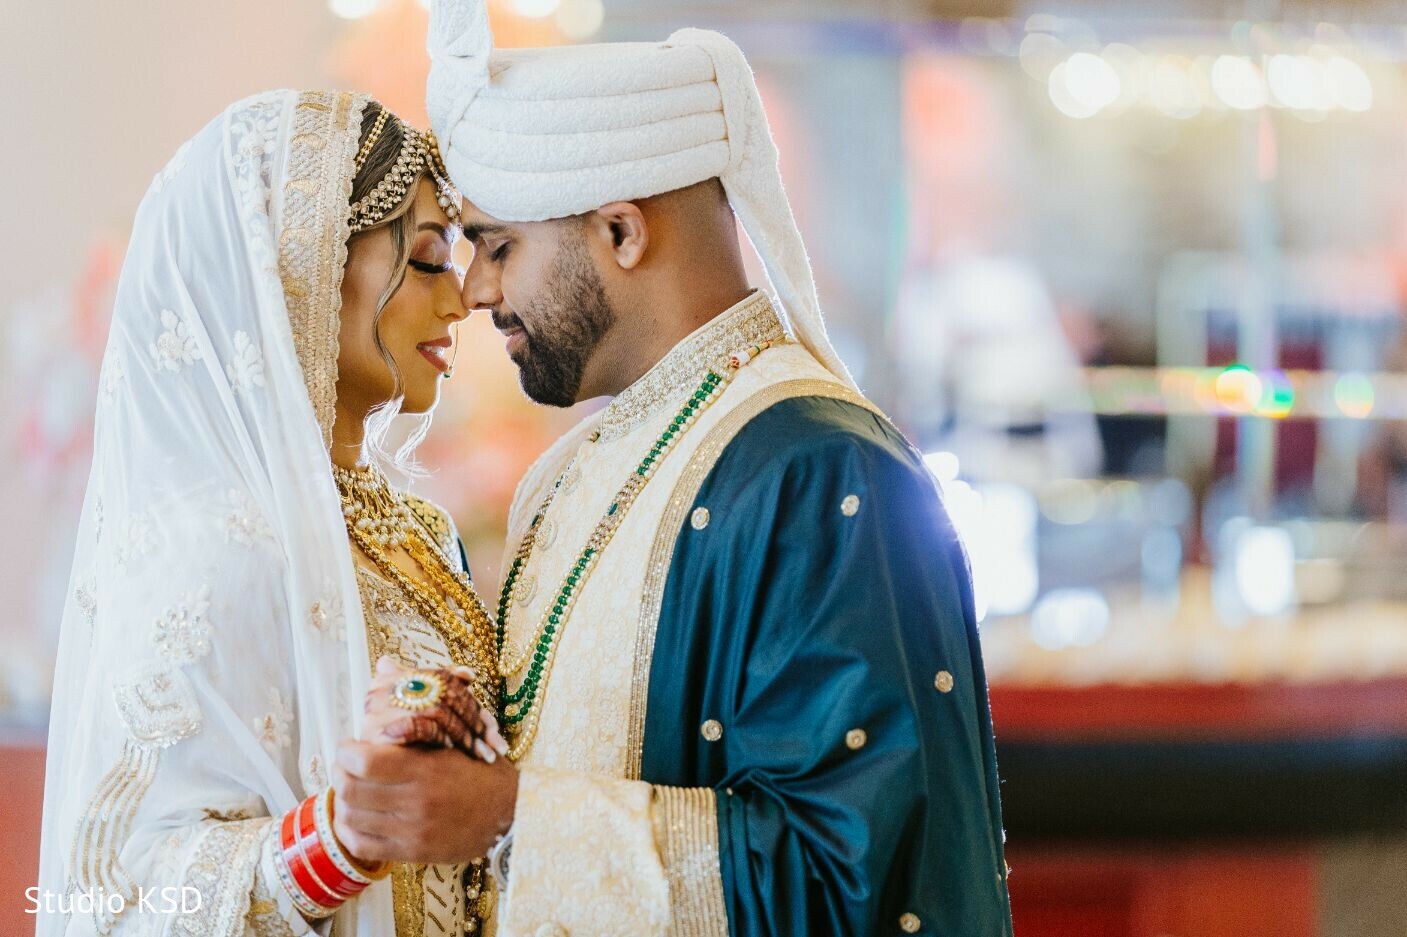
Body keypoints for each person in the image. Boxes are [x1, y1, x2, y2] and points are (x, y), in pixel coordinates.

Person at [329, 3, 1015, 935]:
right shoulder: (570, 474)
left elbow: (856, 878)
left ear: (621, 232)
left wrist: (506, 815)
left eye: (499, 245)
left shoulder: (816, 468)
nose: (478, 290)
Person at [37, 89, 506, 936]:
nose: (462, 299)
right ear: (301, 271)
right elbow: (119, 895)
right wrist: (337, 840)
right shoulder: (215, 545)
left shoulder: (421, 531)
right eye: (428, 260)